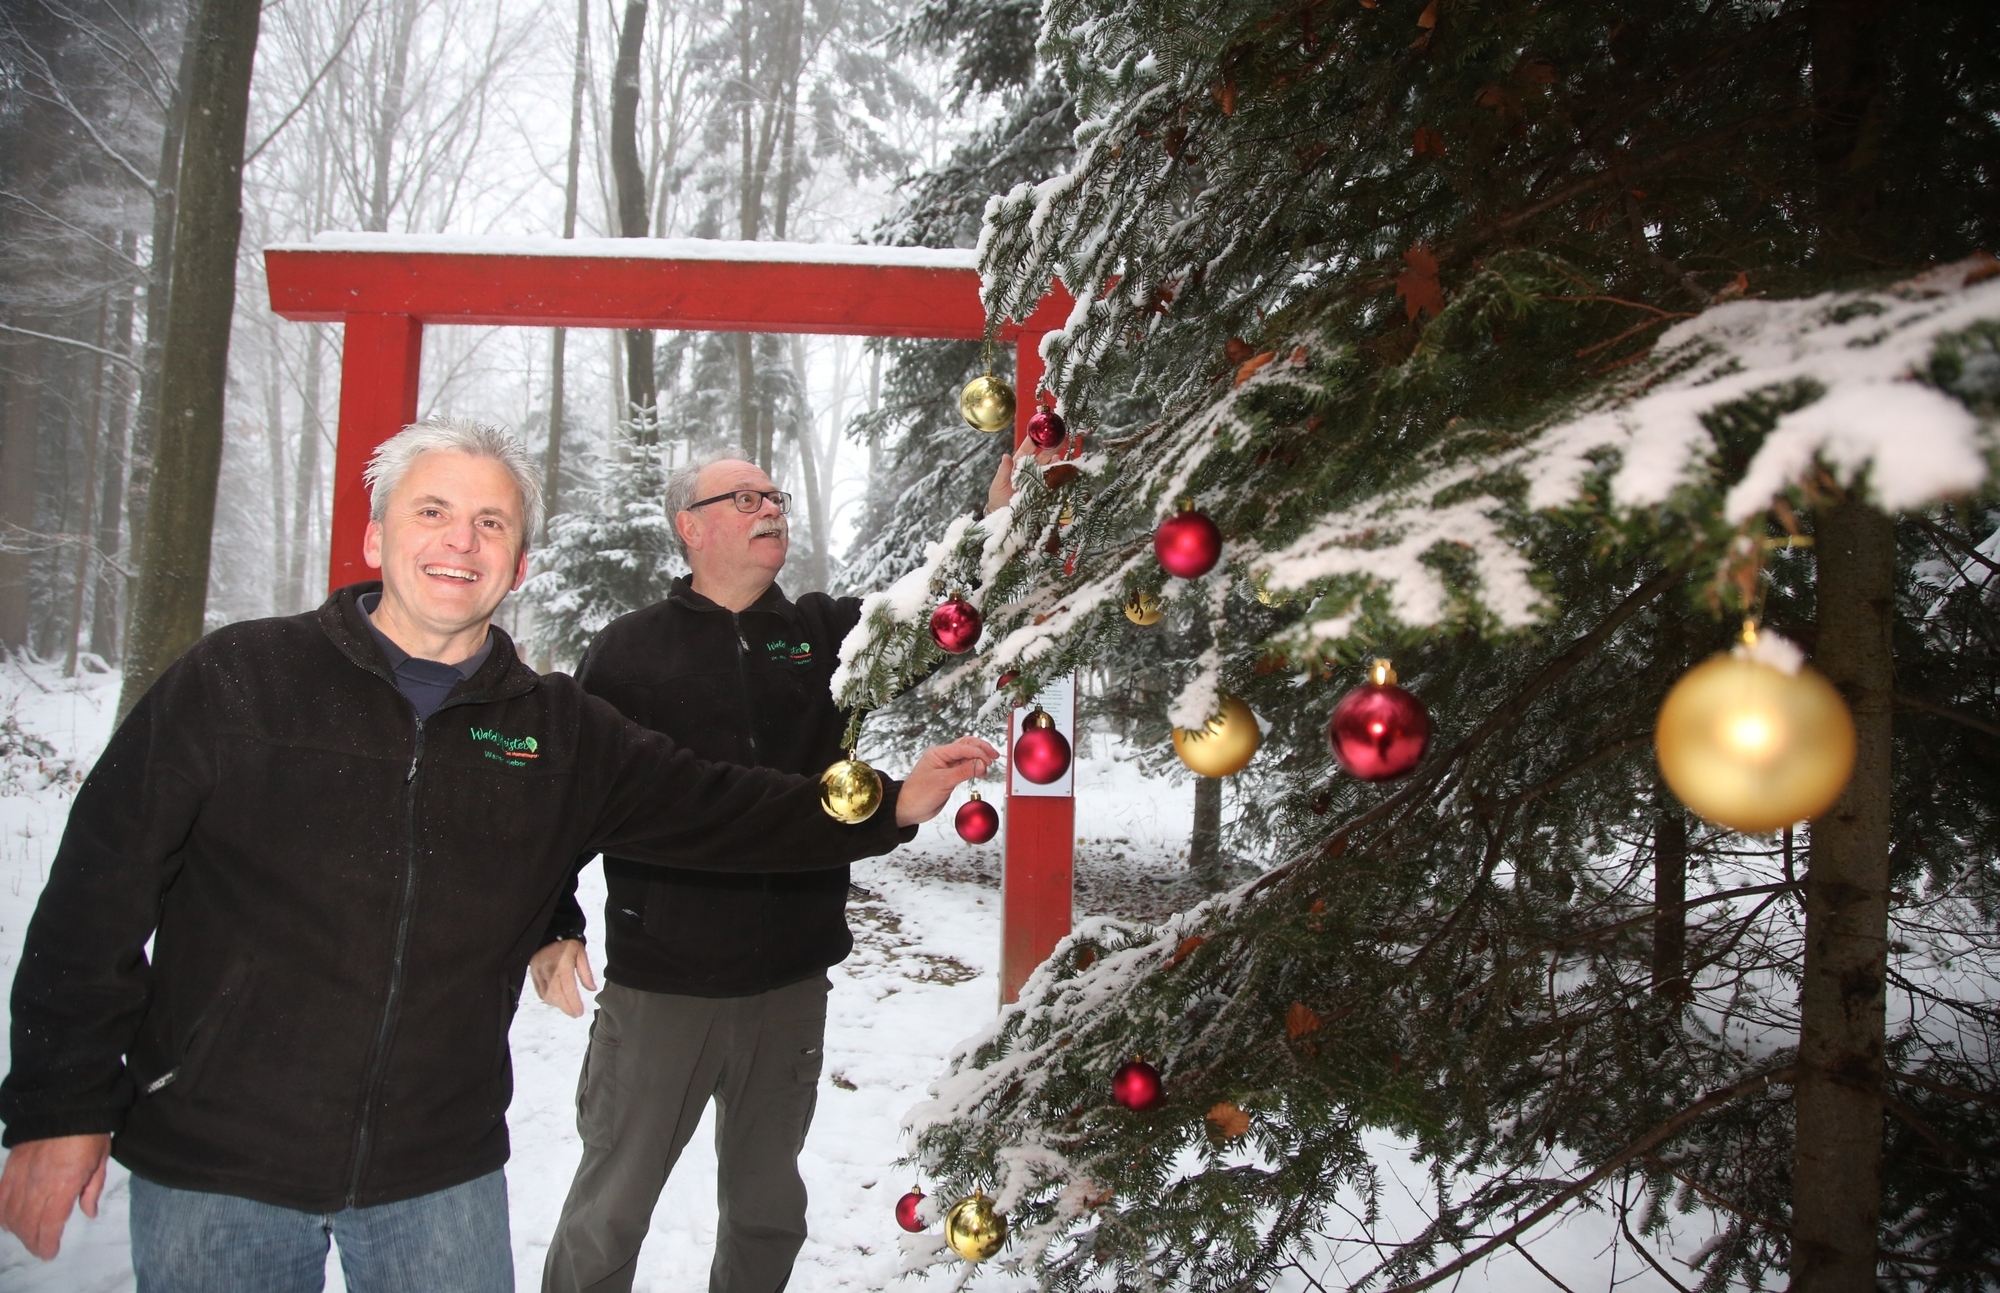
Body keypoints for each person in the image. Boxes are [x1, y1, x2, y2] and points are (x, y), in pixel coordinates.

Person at [0, 417, 996, 1293]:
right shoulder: (240, 682)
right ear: (375, 535)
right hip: (217, 1166)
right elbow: (99, 889)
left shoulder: (556, 731)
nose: (460, 541)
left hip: (437, 1175)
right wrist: (61, 1100)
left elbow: (717, 806)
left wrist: (888, 809)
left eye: (491, 524)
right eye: (433, 511)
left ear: (516, 565)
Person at [534, 451, 1016, 1293]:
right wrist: (552, 920)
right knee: (609, 1212)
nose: (770, 509)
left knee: (766, 1213)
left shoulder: (828, 637)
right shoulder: (627, 652)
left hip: (791, 981)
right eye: (744, 497)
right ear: (691, 527)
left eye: (775, 496)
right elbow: (571, 797)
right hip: (662, 990)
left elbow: (943, 614)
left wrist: (996, 528)